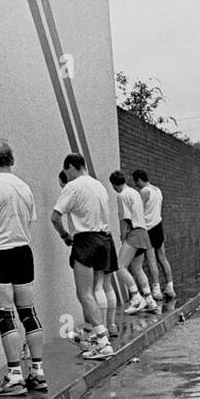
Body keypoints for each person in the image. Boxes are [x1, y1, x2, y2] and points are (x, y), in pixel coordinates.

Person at [0, 139, 47, 396]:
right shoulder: (24, 188)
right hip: (23, 253)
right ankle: (37, 373)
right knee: (28, 311)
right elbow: (29, 222)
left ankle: (15, 376)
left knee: (4, 315)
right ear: (12, 160)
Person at [51, 153, 118, 360]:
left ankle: (102, 340)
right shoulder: (99, 186)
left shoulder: (73, 186)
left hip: (85, 241)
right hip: (104, 240)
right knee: (97, 289)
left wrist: (64, 235)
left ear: (71, 167)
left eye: (66, 171)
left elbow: (55, 217)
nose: (66, 176)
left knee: (84, 294)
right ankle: (91, 336)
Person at [109, 170, 158, 314]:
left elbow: (125, 219)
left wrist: (123, 237)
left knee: (119, 266)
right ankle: (150, 300)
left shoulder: (122, 195)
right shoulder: (135, 192)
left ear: (114, 185)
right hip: (144, 233)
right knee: (137, 268)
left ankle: (136, 297)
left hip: (134, 233)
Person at [132, 169, 175, 300]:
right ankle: (170, 287)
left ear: (139, 179)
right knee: (163, 258)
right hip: (159, 225)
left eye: (135, 182)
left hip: (148, 228)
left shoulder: (144, 192)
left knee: (151, 260)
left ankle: (156, 290)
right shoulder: (157, 190)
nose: (135, 184)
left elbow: (137, 211)